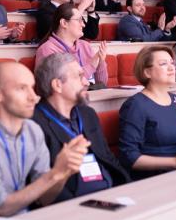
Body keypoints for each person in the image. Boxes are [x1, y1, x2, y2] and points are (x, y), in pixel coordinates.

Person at [0, 62, 89, 215]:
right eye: (22, 88)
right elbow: (1, 208)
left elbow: (45, 199)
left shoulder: (33, 130)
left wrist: (64, 172)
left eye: (32, 87)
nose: (33, 97)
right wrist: (55, 173)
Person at [32, 53, 130, 202]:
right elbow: (42, 185)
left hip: (109, 193)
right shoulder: (34, 124)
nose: (86, 82)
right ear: (57, 85)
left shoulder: (87, 114)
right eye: (79, 76)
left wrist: (129, 187)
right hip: (71, 202)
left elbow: (108, 158)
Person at [119, 46, 176, 180]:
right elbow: (129, 157)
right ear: (147, 72)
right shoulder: (136, 105)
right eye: (163, 64)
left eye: (172, 63)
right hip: (153, 179)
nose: (172, 68)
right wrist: (175, 162)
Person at [35, 3, 108, 87]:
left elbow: (102, 85)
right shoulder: (47, 50)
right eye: (79, 20)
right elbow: (61, 86)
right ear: (64, 23)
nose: (83, 25)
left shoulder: (85, 45)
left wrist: (100, 62)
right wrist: (91, 65)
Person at [35, 0, 99, 40]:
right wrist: (81, 7)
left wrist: (91, 11)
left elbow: (91, 34)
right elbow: (59, 33)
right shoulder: (44, 11)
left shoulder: (71, 9)